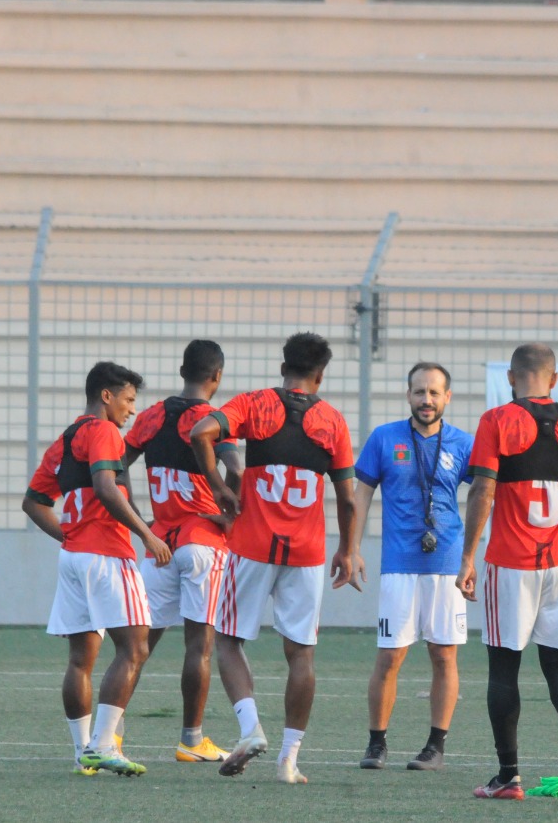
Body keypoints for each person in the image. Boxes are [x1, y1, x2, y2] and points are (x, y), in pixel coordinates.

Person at [189, 331, 361, 785]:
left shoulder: (255, 403)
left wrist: (219, 487)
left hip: (251, 545)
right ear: (320, 376)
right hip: (306, 552)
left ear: (283, 366)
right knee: (301, 653)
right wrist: (348, 549)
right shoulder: (333, 421)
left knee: (228, 640)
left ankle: (250, 729)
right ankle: (289, 760)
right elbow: (347, 499)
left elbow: (200, 432)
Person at [457, 342, 558, 803]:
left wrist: (467, 557)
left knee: (504, 667)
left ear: (510, 378)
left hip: (511, 563)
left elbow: (482, 490)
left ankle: (508, 776)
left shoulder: (496, 420)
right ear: (554, 380)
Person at [22, 361, 171, 777]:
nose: (132, 410)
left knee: (80, 660)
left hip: (74, 558)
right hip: (107, 555)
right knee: (135, 648)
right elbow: (106, 488)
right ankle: (104, 744)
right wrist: (147, 535)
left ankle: (82, 752)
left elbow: (33, 502)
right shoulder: (104, 431)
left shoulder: (66, 439)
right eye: (128, 400)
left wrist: (71, 536)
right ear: (106, 396)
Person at [123, 340, 244, 764]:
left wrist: (137, 517)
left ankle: (108, 737)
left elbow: (116, 466)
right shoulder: (211, 420)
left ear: (181, 371)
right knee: (199, 646)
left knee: (135, 647)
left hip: (159, 543)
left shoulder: (151, 415)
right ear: (217, 376)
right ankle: (191, 741)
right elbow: (236, 467)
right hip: (202, 543)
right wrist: (229, 511)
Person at [354, 362, 474, 771]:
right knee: (390, 657)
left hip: (447, 564)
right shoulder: (384, 438)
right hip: (398, 564)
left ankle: (435, 746)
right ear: (408, 395)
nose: (427, 400)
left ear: (447, 397)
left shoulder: (463, 443)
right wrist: (352, 548)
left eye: (434, 392)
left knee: (444, 655)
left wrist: (472, 557)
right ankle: (377, 743)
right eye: (420, 391)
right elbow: (361, 495)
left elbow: (485, 493)